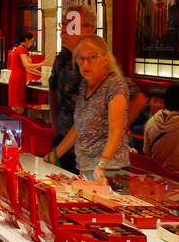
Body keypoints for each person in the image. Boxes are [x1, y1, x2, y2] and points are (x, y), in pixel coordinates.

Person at [46, 34, 130, 182]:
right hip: (85, 168)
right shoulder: (85, 85)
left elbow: (116, 131)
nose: (85, 64)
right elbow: (79, 127)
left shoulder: (115, 85)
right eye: (80, 58)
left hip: (110, 172)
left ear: (105, 59)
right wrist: (54, 155)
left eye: (92, 57)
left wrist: (101, 165)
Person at [47, 2, 96, 173]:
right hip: (64, 142)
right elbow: (52, 89)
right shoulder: (62, 58)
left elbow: (136, 97)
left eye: (71, 25)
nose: (64, 30)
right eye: (64, 24)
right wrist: (56, 128)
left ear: (89, 30)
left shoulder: (98, 61)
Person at [7, 31, 42, 113]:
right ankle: (17, 124)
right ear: (26, 40)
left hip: (16, 77)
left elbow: (27, 68)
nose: (32, 43)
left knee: (17, 106)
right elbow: (27, 65)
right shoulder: (22, 49)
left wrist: (41, 74)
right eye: (32, 41)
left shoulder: (18, 48)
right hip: (18, 79)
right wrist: (42, 63)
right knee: (18, 107)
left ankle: (16, 123)